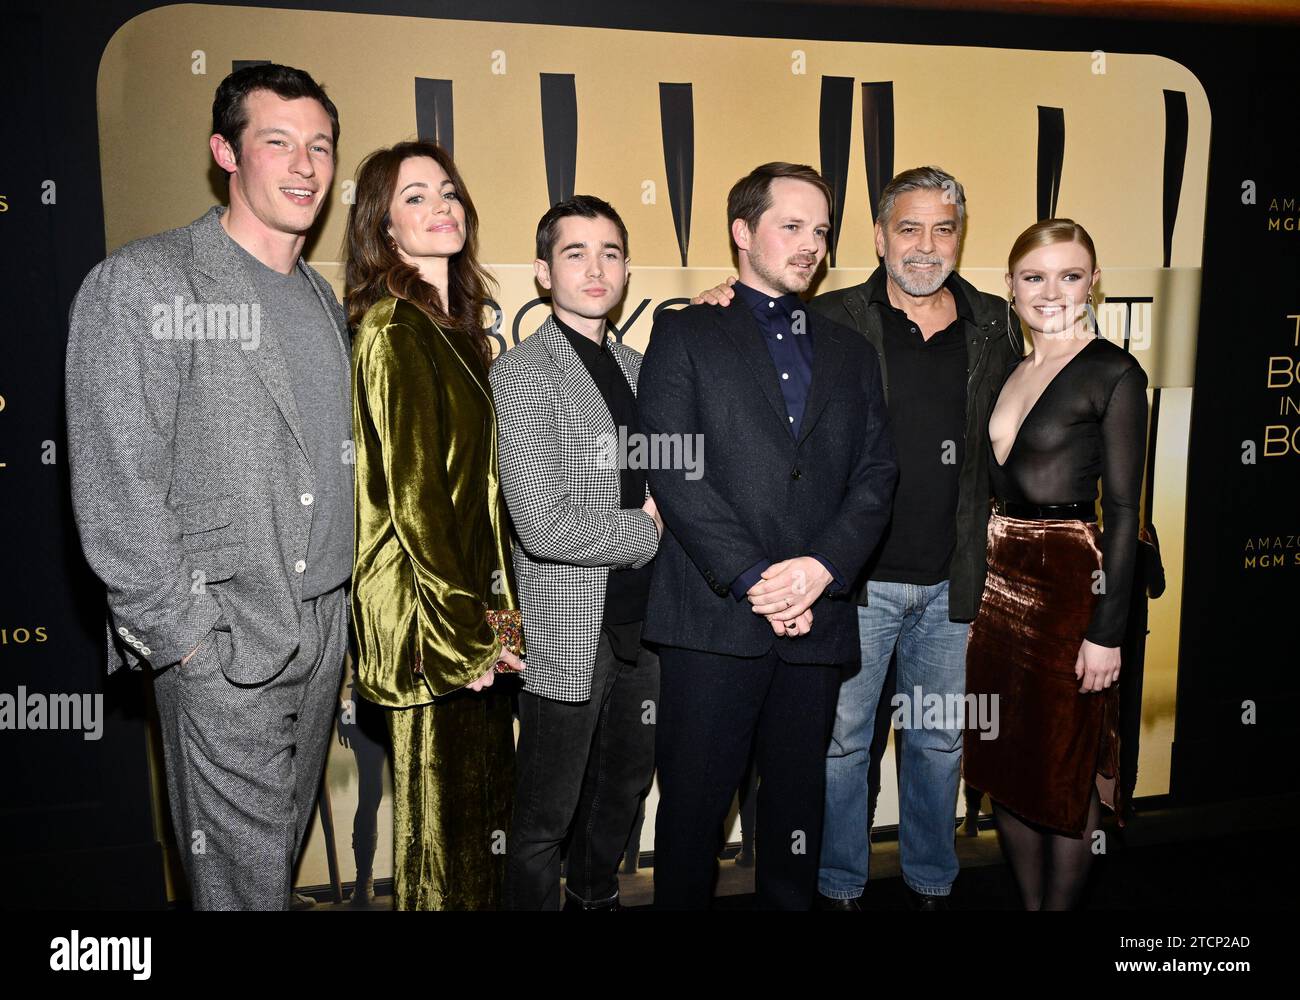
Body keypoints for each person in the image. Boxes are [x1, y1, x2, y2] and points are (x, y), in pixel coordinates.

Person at [694, 166, 1024, 910]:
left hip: (952, 580)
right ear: (878, 237)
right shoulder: (831, 316)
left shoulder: (995, 324)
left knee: (939, 744)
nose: (925, 245)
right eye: (908, 227)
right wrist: (719, 296)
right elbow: (748, 326)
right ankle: (840, 883)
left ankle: (932, 880)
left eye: (943, 228)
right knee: (842, 748)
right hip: (852, 578)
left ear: (960, 238)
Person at [66, 63, 351, 910]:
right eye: (278, 142)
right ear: (225, 151)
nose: (305, 166)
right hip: (222, 631)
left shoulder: (320, 297)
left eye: (321, 146)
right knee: (243, 892)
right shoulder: (146, 281)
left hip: (323, 629)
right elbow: (117, 487)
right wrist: (187, 642)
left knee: (270, 866)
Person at [640, 162, 898, 910]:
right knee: (690, 820)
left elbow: (878, 475)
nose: (811, 243)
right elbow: (672, 466)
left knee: (796, 821)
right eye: (792, 225)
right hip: (713, 619)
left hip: (817, 620)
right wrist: (758, 576)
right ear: (742, 232)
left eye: (821, 230)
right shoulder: (685, 331)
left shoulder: (851, 351)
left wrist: (820, 569)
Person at [345, 140, 524, 911]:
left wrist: (500, 628)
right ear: (384, 229)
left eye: (447, 191)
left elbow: (479, 501)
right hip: (428, 631)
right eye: (415, 197)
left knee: (482, 827)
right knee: (440, 849)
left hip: (468, 618)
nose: (440, 206)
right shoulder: (394, 329)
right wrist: (464, 637)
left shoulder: (454, 330)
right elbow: (415, 501)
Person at [963, 218, 1147, 910]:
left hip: (1072, 585)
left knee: (1063, 770)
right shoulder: (1006, 367)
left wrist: (1107, 630)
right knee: (1006, 762)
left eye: (1070, 275)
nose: (1051, 292)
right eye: (1034, 277)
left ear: (1093, 282)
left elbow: (1125, 512)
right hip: (995, 586)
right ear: (1010, 287)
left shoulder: (1113, 372)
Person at [491, 196, 663, 911]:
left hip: (646, 624)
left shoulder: (642, 364)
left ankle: (596, 899)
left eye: (611, 253)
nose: (596, 269)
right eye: (575, 253)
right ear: (541, 271)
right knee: (544, 815)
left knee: (622, 788)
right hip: (569, 625)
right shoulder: (524, 373)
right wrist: (648, 530)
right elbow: (543, 527)